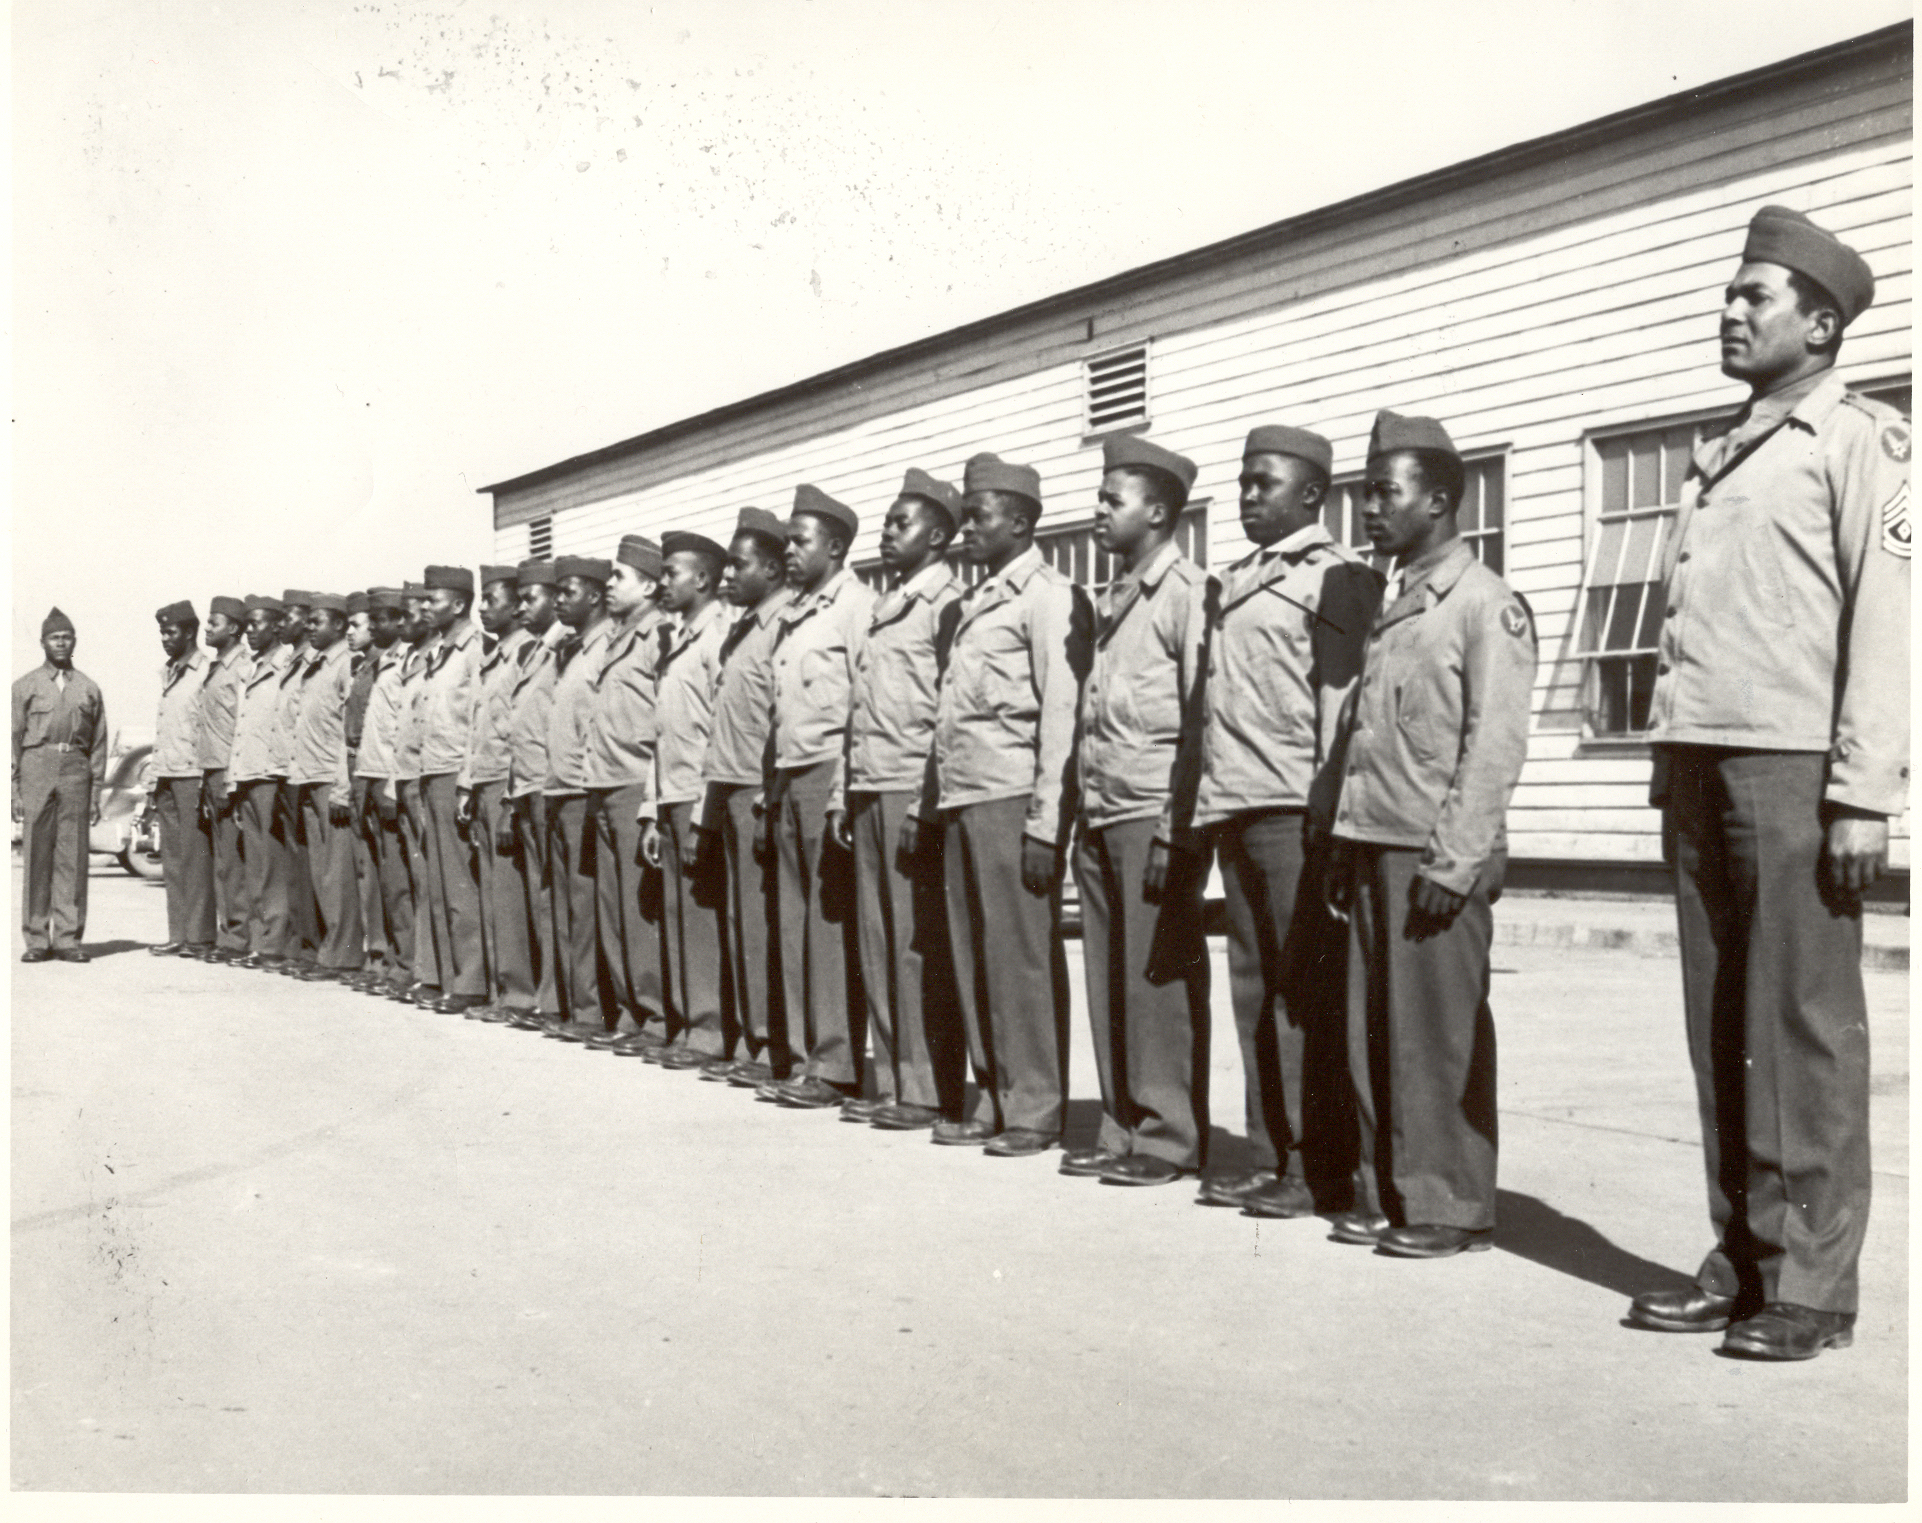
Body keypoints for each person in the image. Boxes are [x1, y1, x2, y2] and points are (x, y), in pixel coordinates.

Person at [1626, 207, 1909, 1360]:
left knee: (1796, 1027)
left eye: (1754, 296)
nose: (1728, 311)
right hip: (1699, 760)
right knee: (1720, 1026)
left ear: (1821, 322)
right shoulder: (1725, 446)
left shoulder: (1861, 442)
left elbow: (1889, 624)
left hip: (1793, 769)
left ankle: (1809, 1281)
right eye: (1728, 294)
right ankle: (1740, 1257)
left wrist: (1862, 791)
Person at [1328, 410, 1536, 1258]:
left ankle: (1452, 1203)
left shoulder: (1483, 604)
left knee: (1438, 1034)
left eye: (1386, 491)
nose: (1370, 509)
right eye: (1367, 491)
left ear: (1441, 498)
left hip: (1435, 849)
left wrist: (1454, 859)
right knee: (1373, 1028)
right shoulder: (1397, 598)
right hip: (1377, 840)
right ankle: (1392, 1191)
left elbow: (1494, 742)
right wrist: (1348, 842)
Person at [1191, 425, 1381, 1217]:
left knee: (1307, 991)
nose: (1246, 496)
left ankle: (1320, 1164)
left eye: (1263, 483)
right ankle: (1273, 1150)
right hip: (1234, 800)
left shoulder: (1337, 579)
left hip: (1292, 806)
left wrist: (1328, 811)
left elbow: (1343, 703)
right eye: (1241, 482)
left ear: (1310, 494)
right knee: (1255, 990)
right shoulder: (1236, 580)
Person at [928, 452, 1092, 1155]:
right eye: (965, 515)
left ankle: (1034, 1106)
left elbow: (1061, 713)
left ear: (1021, 523)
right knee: (973, 955)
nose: (967, 528)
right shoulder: (972, 604)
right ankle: (994, 1094)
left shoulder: (1047, 596)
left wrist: (1047, 820)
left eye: (978, 516)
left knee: (1019, 955)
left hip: (1011, 795)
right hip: (965, 796)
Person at [1063, 436, 1211, 1186]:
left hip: (1151, 810)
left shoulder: (1186, 593)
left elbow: (1198, 717)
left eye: (1110, 500)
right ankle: (1122, 1124)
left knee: (1158, 980)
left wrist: (1176, 829)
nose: (1097, 511)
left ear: (1156, 511)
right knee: (1110, 975)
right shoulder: (1113, 596)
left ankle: (1168, 1134)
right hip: (1101, 806)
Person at [835, 469, 966, 1131]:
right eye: (887, 523)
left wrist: (927, 798)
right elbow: (858, 708)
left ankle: (928, 1085)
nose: (888, 534)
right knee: (877, 939)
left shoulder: (948, 604)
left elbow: (948, 710)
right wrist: (842, 791)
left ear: (939, 535)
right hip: (867, 783)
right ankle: (890, 1079)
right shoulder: (887, 606)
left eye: (901, 523)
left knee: (919, 943)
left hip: (913, 786)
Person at [763, 484, 877, 1110]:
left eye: (799, 541)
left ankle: (836, 1065)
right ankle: (805, 1058)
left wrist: (840, 790)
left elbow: (866, 702)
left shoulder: (856, 607)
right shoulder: (793, 612)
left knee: (830, 926)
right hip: (788, 775)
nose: (789, 553)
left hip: (830, 773)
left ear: (834, 547)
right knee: (794, 924)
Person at [694, 508, 795, 1085]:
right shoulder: (743, 628)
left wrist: (766, 798)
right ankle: (753, 1042)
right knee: (739, 923)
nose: (728, 574)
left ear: (774, 569)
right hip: (728, 785)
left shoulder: (782, 625)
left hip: (759, 791)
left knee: (765, 927)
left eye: (739, 564)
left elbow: (781, 717)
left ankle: (772, 1044)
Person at [578, 536, 667, 1051]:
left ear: (649, 586)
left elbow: (661, 721)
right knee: (611, 908)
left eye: (619, 577)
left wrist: (651, 799)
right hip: (603, 782)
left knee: (639, 911)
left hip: (635, 782)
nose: (609, 585)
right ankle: (631, 1013)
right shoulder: (615, 637)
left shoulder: (656, 636)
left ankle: (655, 1016)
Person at [650, 530, 735, 1070]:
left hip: (701, 795)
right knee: (680, 916)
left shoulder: (716, 634)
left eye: (671, 573)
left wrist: (705, 808)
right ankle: (687, 1025)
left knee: (704, 918)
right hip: (670, 794)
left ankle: (710, 1031)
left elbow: (718, 728)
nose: (663, 583)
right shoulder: (676, 639)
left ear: (702, 579)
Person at [541, 555, 617, 1039]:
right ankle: (574, 1005)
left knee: (588, 909)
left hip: (582, 790)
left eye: (567, 592)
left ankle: (591, 1010)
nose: (558, 601)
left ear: (594, 595)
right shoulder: (571, 648)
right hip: (559, 787)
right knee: (568, 906)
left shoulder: (606, 646)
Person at [12, 607, 106, 963]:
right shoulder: (24, 686)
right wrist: (14, 790)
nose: (61, 643)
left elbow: (99, 743)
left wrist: (95, 792)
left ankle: (68, 938)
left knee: (74, 856)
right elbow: (12, 739)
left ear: (74, 641)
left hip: (76, 770)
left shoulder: (88, 687)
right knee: (37, 854)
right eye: (55, 637)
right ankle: (37, 939)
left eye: (66, 637)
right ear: (43, 643)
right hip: (36, 766)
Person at [497, 559, 567, 1028]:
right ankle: (545, 994)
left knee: (553, 896)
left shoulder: (563, 647)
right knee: (538, 894)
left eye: (531, 598)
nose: (523, 607)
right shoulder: (536, 650)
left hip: (549, 781)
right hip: (526, 783)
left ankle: (556, 998)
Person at [416, 565, 487, 1014]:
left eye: (433, 600)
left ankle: (471, 982)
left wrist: (467, 782)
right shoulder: (438, 651)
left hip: (455, 774)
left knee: (461, 885)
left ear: (459, 604)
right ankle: (444, 976)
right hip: (430, 772)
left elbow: (479, 720)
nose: (425, 607)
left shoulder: (474, 651)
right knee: (437, 884)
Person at [462, 565, 531, 1019]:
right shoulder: (492, 655)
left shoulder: (526, 652)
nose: (483, 607)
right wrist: (468, 786)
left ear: (517, 605)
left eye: (491, 599)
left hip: (507, 785)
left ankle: (519, 994)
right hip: (483, 781)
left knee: (509, 895)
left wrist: (509, 797)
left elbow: (518, 732)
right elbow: (478, 728)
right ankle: (498, 991)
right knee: (490, 891)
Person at [289, 592, 364, 981]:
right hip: (307, 775)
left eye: (316, 622)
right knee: (321, 873)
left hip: (329, 779)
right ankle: (328, 951)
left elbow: (348, 731)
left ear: (338, 624)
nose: (308, 628)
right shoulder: (313, 665)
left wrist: (341, 785)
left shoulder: (345, 664)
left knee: (338, 875)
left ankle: (344, 955)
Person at [349, 588, 415, 995]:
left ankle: (407, 962)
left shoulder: (405, 664)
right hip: (368, 774)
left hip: (388, 778)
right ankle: (389, 958)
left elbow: (401, 732)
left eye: (382, 619)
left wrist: (389, 785)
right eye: (370, 620)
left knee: (400, 878)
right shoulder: (379, 665)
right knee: (382, 877)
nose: (374, 626)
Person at [227, 595, 292, 969]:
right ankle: (258, 940)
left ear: (277, 626)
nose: (250, 631)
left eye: (257, 624)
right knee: (254, 863)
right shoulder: (251, 668)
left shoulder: (284, 666)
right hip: (248, 774)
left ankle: (273, 943)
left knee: (271, 863)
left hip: (270, 775)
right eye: (248, 624)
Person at [150, 599, 216, 960]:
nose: (164, 638)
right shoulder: (168, 671)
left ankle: (200, 937)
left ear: (190, 632)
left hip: (192, 774)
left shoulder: (205, 670)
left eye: (171, 631)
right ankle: (178, 934)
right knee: (172, 861)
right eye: (162, 631)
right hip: (166, 775)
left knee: (196, 858)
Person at [391, 583, 441, 1003]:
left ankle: (431, 973)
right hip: (407, 777)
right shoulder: (410, 660)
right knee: (415, 880)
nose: (406, 621)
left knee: (432, 883)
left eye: (412, 613)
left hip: (428, 778)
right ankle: (419, 969)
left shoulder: (438, 658)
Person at [198, 595, 253, 963]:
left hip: (229, 771)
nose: (207, 628)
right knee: (222, 859)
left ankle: (238, 938)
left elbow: (244, 726)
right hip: (212, 770)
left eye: (214, 622)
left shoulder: (243, 667)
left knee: (234, 859)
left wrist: (231, 778)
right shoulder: (218, 667)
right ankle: (228, 934)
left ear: (234, 628)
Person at [341, 591, 391, 983]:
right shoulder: (362, 668)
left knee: (381, 864)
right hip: (357, 765)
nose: (352, 632)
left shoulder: (383, 668)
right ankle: (374, 950)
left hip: (377, 768)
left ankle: (384, 953)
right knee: (365, 863)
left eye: (357, 624)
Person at [274, 591, 321, 974]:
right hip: (287, 772)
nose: (280, 625)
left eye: (287, 617)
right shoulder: (291, 663)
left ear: (305, 621)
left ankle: (312, 946)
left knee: (309, 864)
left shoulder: (311, 663)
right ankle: (299, 943)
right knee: (294, 863)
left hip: (304, 772)